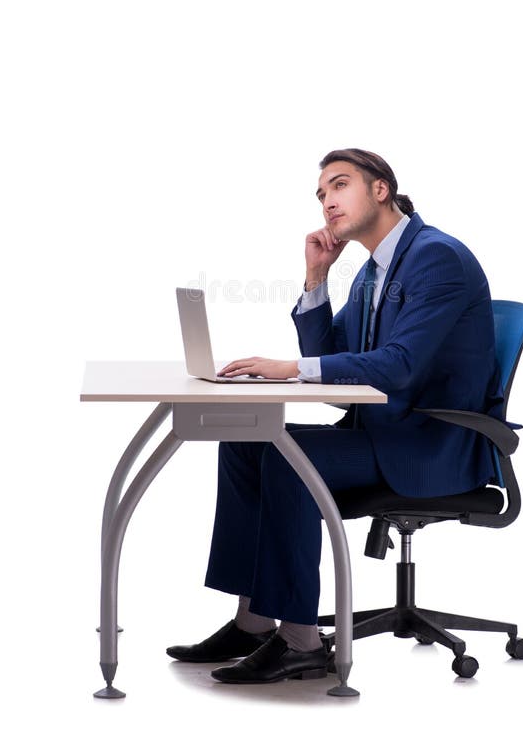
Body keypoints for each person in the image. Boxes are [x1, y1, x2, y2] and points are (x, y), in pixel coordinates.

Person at [166, 147, 504, 684]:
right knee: (247, 440)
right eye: (321, 194)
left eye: (339, 185)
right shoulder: (375, 270)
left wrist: (289, 367)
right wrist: (316, 279)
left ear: (381, 190)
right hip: (382, 433)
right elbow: (334, 353)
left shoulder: (436, 257)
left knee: (287, 459)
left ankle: (301, 641)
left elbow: (398, 366)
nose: (327, 202)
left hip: (431, 445)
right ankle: (254, 622)